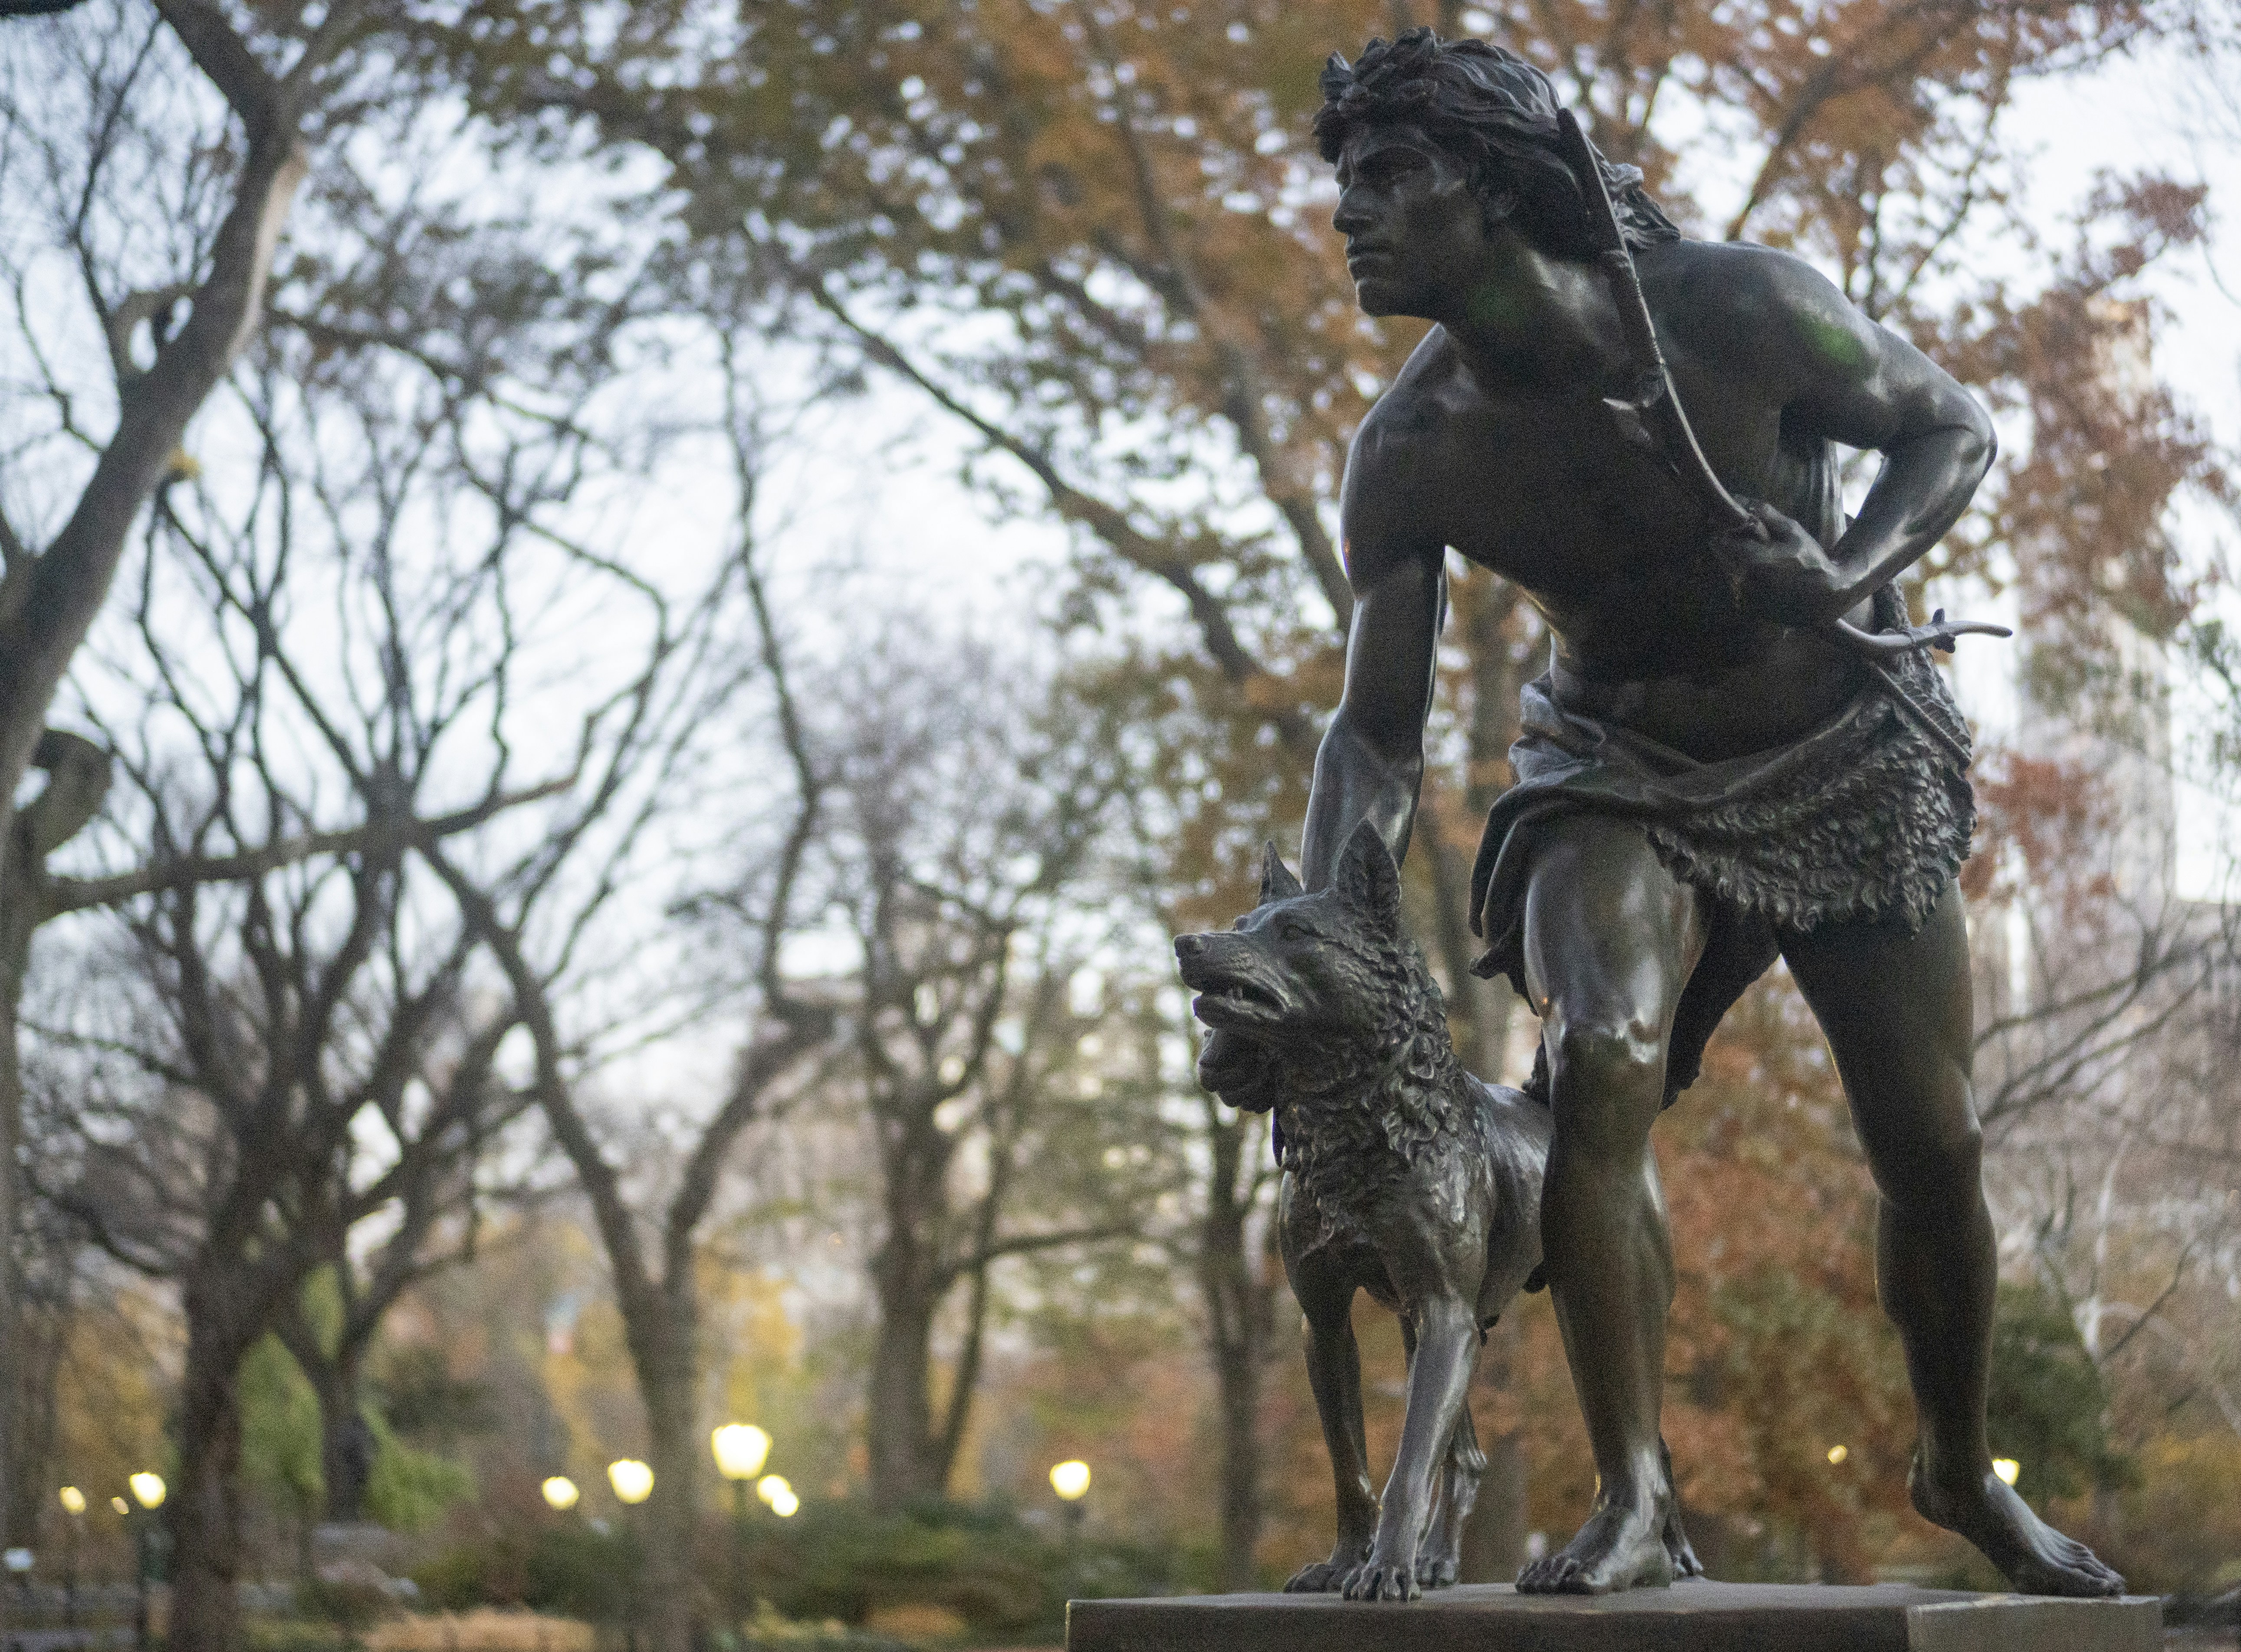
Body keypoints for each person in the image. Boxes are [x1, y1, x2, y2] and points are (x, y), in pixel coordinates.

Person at [1201, 27, 2126, 1598]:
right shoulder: (1410, 457)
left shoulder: (1735, 309)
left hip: (1840, 750)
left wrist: (1838, 572)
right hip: (1612, 772)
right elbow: (1371, 736)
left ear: (1497, 193)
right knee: (1597, 1058)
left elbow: (1948, 426)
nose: (1349, 213)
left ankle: (1956, 1469)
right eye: (1341, 181)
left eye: (1390, 175)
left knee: (1935, 1143)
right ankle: (1637, 1498)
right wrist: (1326, 928)